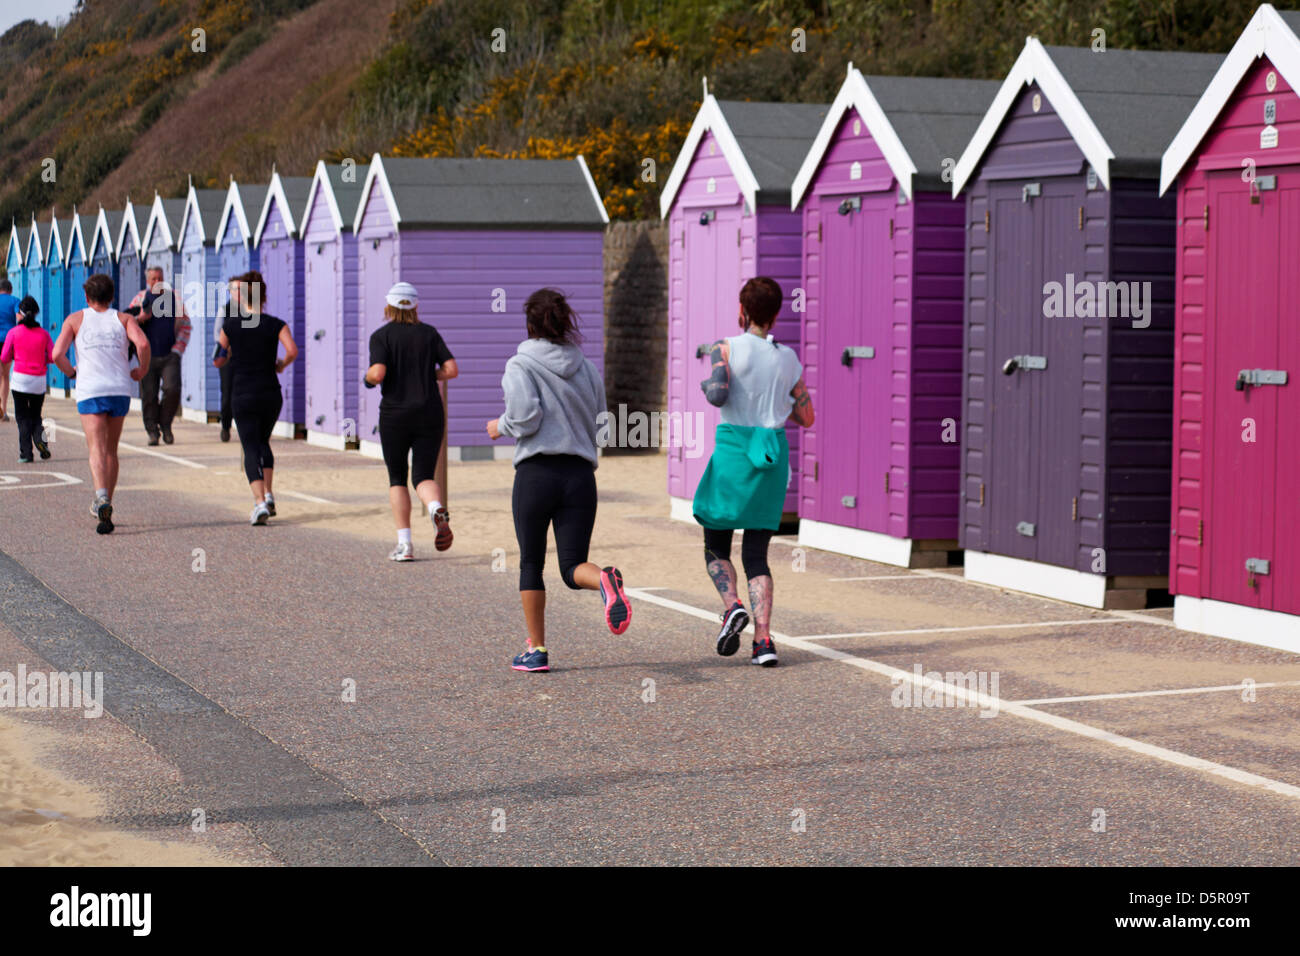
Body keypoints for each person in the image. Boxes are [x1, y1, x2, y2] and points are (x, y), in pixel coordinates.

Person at [487, 288, 630, 673]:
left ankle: (537, 650)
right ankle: (603, 579)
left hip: (537, 474)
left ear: (530, 324)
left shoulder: (520, 364)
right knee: (572, 566)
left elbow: (526, 418)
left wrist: (498, 426)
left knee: (531, 563)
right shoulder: (587, 368)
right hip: (581, 477)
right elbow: (604, 428)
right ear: (566, 323)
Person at [693, 277, 815, 668]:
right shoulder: (789, 359)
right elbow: (807, 417)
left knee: (715, 543)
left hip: (734, 453)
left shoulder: (724, 347)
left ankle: (732, 608)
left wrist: (707, 380)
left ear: (741, 310)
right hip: (771, 456)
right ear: (777, 313)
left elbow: (718, 396)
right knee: (757, 555)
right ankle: (763, 642)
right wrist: (778, 399)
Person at [363, 281, 458, 561]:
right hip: (430, 412)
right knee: (423, 476)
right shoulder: (429, 333)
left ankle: (405, 545)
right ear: (416, 306)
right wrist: (432, 376)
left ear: (389, 306)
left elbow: (378, 373)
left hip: (395, 414)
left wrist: (368, 378)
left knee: (397, 477)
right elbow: (451, 369)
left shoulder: (382, 336)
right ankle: (434, 508)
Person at [52, 273, 151, 535]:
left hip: (90, 389)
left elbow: (56, 354)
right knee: (111, 450)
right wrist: (141, 370)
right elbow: (142, 342)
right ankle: (108, 501)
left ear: (86, 297)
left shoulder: (75, 319)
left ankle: (101, 497)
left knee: (96, 448)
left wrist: (71, 373)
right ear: (112, 296)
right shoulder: (124, 318)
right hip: (119, 388)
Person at [213, 271, 297, 525]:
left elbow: (218, 358)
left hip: (243, 392)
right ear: (264, 297)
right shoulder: (276, 324)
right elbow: (292, 350)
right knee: (263, 442)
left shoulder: (230, 326)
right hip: (270, 393)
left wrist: (230, 358)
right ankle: (269, 493)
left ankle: (259, 502)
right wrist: (281, 364)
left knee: (250, 447)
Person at [125, 267, 191, 445]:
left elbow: (186, 325)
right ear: (148, 281)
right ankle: (152, 431)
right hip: (147, 356)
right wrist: (141, 318)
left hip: (170, 354)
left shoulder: (174, 298)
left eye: (160, 278)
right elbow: (128, 325)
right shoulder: (140, 299)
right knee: (149, 395)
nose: (157, 282)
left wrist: (178, 350)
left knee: (172, 389)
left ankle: (166, 424)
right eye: (153, 279)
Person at [1, 297, 53, 463]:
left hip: (20, 380)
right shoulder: (44, 334)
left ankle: (26, 454)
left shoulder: (13, 333)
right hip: (39, 380)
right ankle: (41, 440)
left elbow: (4, 356)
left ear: (19, 314)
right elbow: (52, 356)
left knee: (22, 418)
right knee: (36, 416)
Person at [0, 278, 20, 422]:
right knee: (5, 376)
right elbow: (19, 319)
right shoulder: (15, 300)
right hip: (8, 341)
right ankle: (4, 410)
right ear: (10, 289)